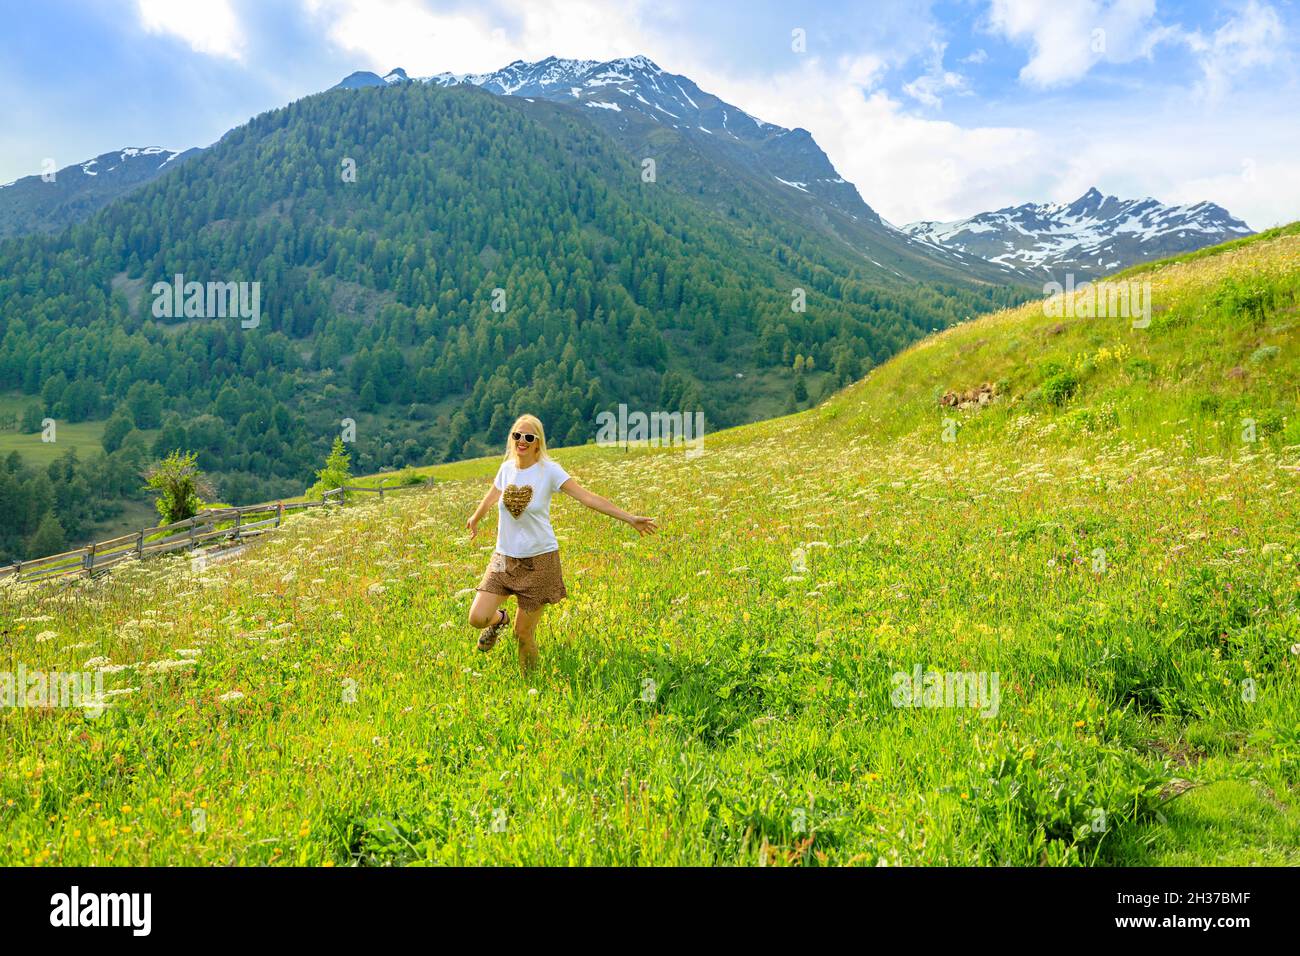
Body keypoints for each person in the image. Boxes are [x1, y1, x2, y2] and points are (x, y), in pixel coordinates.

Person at [466, 414, 657, 673]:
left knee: (522, 634)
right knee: (477, 618)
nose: (522, 441)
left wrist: (629, 518)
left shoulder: (549, 471)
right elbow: (493, 496)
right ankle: (499, 620)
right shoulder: (507, 469)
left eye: (529, 437)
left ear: (537, 443)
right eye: (517, 436)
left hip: (539, 561)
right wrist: (475, 518)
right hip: (503, 558)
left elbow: (587, 498)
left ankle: (530, 686)